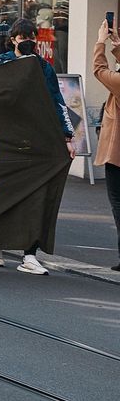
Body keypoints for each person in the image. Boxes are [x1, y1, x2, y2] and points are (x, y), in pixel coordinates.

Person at [0, 19, 75, 274]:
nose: (27, 40)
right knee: (1, 192)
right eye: (22, 36)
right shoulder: (0, 62)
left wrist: (68, 136)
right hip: (3, 138)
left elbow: (57, 101)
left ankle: (30, 253)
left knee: (33, 195)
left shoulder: (44, 67)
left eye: (31, 36)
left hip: (32, 139)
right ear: (12, 39)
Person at [90, 19, 120, 272]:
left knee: (119, 203)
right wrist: (117, 48)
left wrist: (101, 41)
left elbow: (99, 70)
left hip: (118, 155)